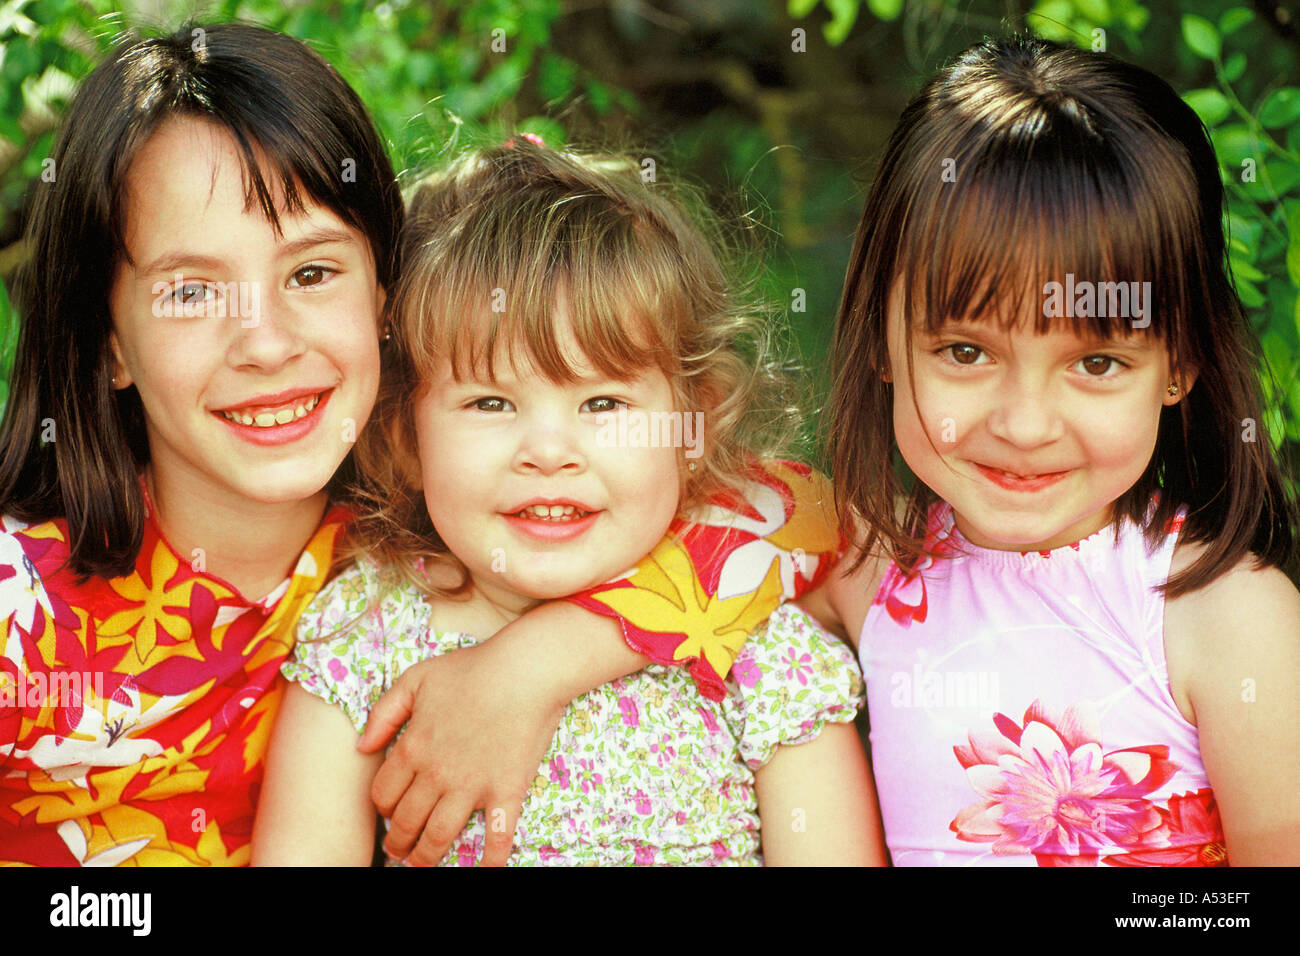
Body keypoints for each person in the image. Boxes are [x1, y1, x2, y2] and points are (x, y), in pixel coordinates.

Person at [0, 22, 839, 866]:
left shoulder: (425, 528)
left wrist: (531, 668)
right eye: (190, 291)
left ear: (384, 301)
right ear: (106, 337)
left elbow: (804, 510)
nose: (264, 343)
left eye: (311, 273)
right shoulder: (20, 613)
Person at [252, 142, 885, 865]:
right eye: (491, 402)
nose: (548, 451)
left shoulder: (761, 654)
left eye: (603, 402)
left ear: (692, 425)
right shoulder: (365, 636)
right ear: (404, 437)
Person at [802, 35, 1300, 865]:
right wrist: (536, 669)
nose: (1026, 425)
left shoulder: (1225, 619)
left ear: (1179, 364)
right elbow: (686, 579)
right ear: (882, 338)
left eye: (1097, 363)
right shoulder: (863, 564)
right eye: (965, 352)